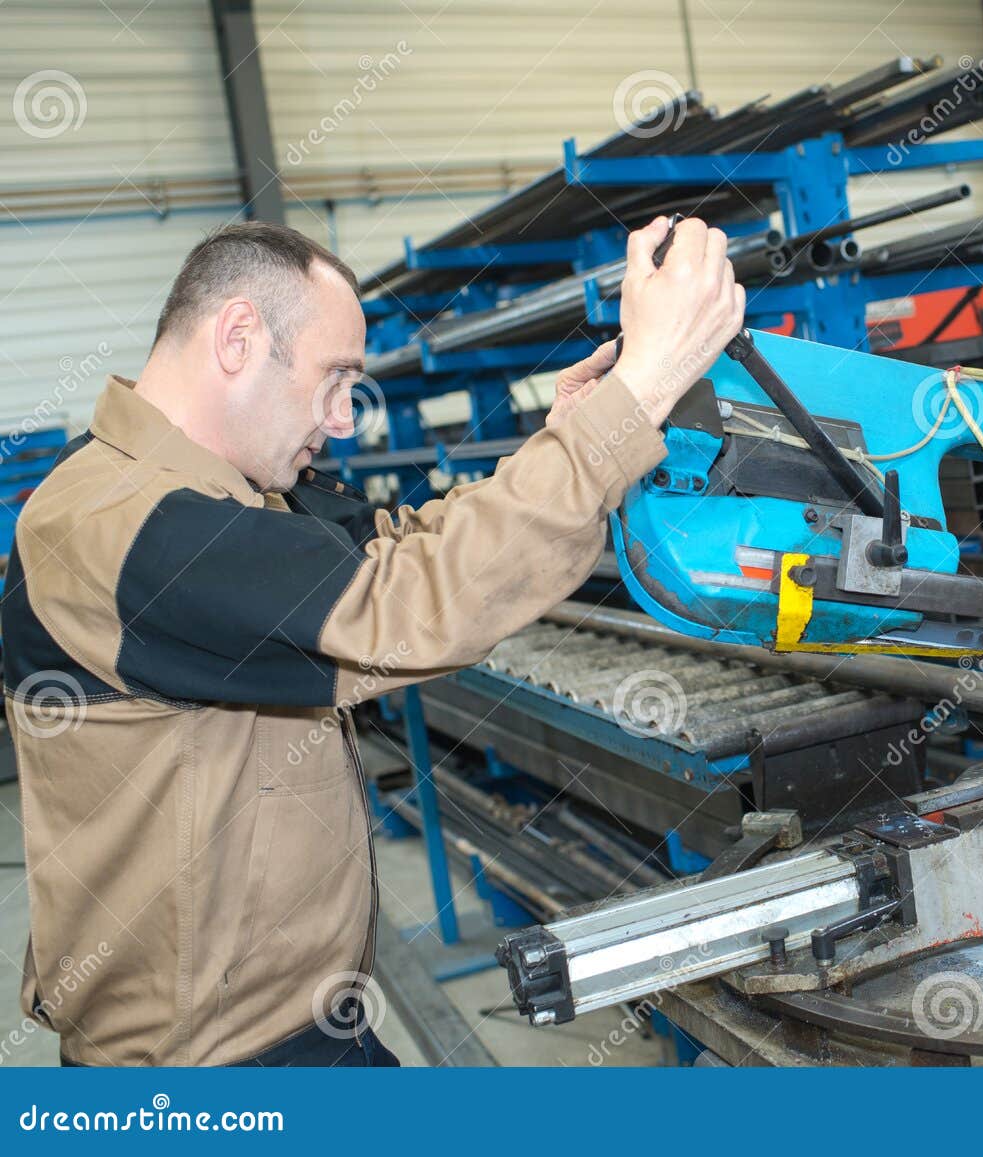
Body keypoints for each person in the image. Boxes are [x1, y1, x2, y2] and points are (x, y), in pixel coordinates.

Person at [3, 215, 744, 1065]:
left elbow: (406, 542)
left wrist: (565, 442)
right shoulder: (117, 525)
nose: (346, 419)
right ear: (239, 337)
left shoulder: (237, 495)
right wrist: (637, 394)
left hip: (305, 1025)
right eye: (334, 380)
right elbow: (400, 605)